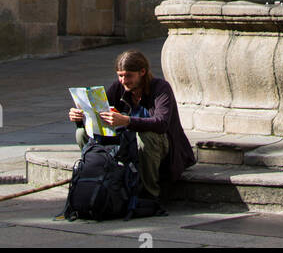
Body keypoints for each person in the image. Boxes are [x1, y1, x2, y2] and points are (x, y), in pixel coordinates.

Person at [68, 50, 195, 210]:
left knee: (146, 137)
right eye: (120, 75)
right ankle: (98, 178)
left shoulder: (161, 88)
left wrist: (127, 121)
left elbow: (161, 123)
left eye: (128, 76)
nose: (123, 81)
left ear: (142, 72)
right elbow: (100, 118)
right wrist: (81, 118)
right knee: (81, 134)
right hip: (126, 144)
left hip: (160, 146)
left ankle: (150, 195)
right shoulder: (118, 88)